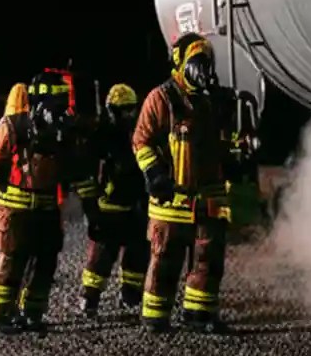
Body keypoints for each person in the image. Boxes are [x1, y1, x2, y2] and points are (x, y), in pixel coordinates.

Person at [0, 73, 98, 334]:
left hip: (47, 209)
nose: (62, 111)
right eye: (56, 103)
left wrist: (91, 205)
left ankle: (33, 313)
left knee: (45, 263)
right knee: (12, 262)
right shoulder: (14, 127)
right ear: (39, 102)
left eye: (64, 104)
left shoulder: (66, 134)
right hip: (14, 209)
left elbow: (78, 171)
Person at [133, 32, 232, 334]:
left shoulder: (215, 101)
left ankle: (199, 315)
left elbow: (225, 141)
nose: (203, 71)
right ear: (181, 64)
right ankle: (155, 317)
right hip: (172, 200)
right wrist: (154, 174)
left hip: (210, 198)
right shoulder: (161, 98)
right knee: (165, 260)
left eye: (206, 64)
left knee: (208, 260)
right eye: (196, 63)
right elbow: (141, 141)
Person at [78, 83, 149, 318]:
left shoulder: (138, 134)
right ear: (112, 110)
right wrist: (90, 211)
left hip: (134, 206)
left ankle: (130, 296)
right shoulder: (100, 137)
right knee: (101, 258)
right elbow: (86, 175)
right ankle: (90, 298)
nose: (129, 115)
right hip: (107, 208)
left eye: (131, 109)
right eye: (124, 110)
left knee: (137, 255)